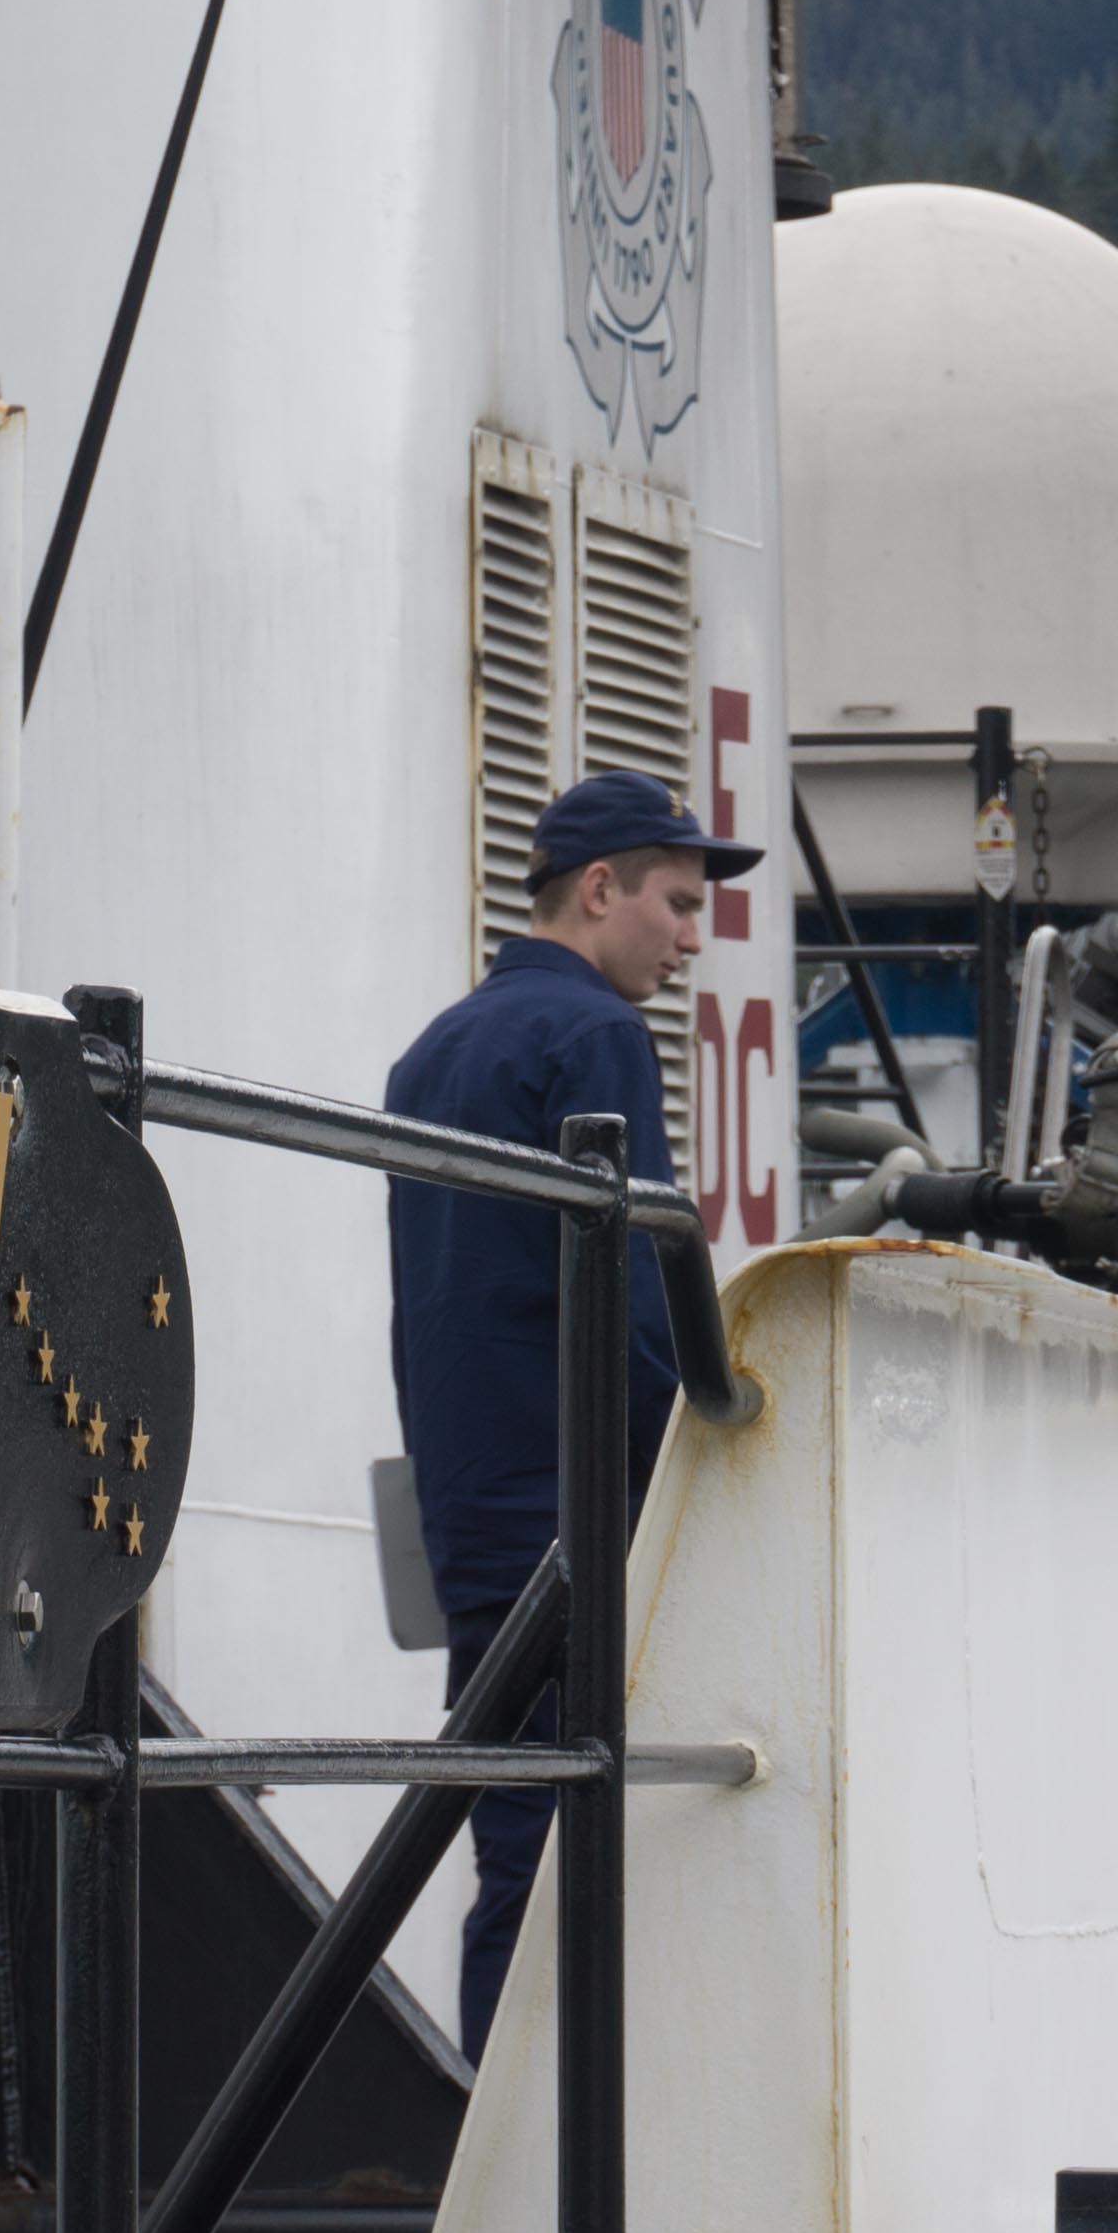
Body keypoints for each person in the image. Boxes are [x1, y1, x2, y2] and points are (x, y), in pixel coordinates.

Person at [386, 767, 757, 2048]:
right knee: (586, 1849)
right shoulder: (592, 1037)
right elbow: (640, 1286)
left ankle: (493, 2141)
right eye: (678, 900)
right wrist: (714, 1446)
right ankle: (559, 2183)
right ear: (599, 890)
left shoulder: (431, 1049)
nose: (693, 936)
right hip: (573, 1505)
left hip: (475, 1510)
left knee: (515, 1842)